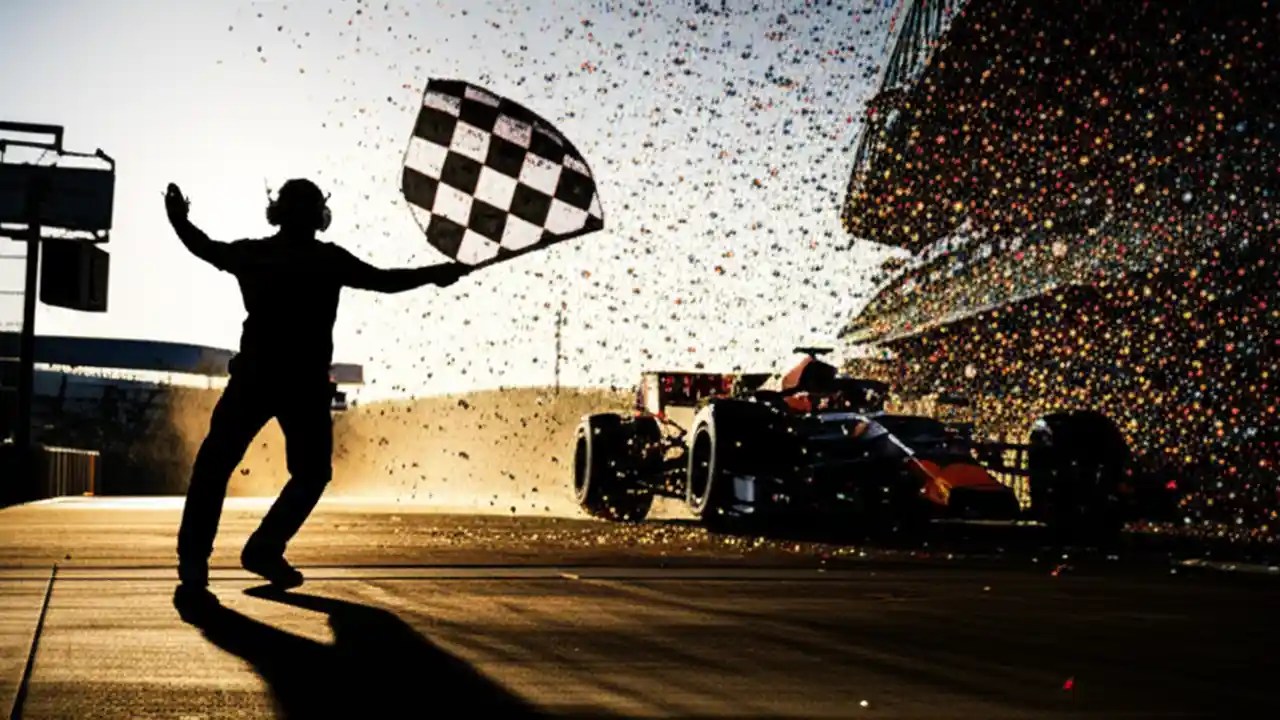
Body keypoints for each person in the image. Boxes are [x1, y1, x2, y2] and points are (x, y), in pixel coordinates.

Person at [164, 179, 469, 593]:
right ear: (317, 216)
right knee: (311, 474)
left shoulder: (255, 254)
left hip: (254, 378)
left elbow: (204, 247)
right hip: (304, 386)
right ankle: (264, 548)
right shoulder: (327, 260)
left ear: (279, 211)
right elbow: (385, 281)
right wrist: (436, 274)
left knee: (213, 468)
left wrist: (179, 220)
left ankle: (195, 562)